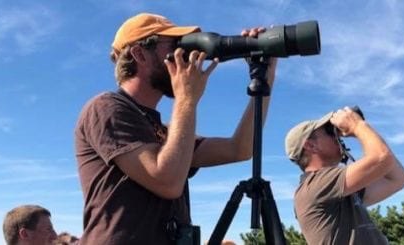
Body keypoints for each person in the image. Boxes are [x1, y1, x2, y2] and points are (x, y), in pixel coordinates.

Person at [74, 12, 278, 244]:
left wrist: (266, 75)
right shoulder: (105, 107)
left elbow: (239, 149)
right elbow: (166, 181)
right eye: (174, 45)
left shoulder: (163, 130)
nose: (184, 56)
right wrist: (186, 99)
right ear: (139, 54)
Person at [285, 106, 404, 245]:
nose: (337, 136)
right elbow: (382, 158)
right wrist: (357, 126)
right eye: (329, 132)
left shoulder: (337, 190)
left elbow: (398, 178)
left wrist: (362, 130)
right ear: (311, 145)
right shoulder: (315, 186)